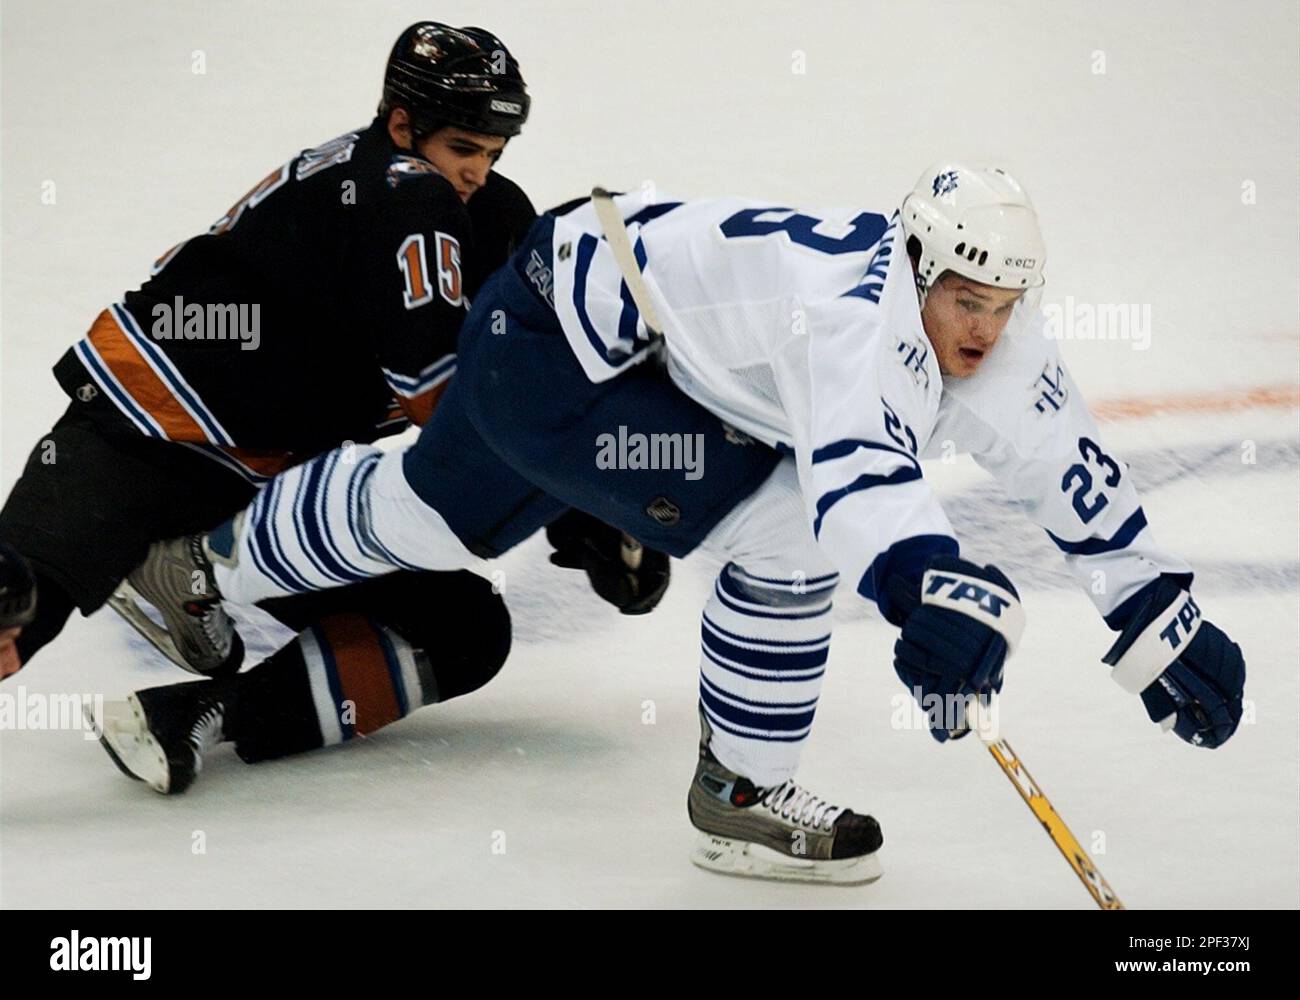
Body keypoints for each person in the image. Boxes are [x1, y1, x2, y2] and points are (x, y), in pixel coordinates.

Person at [109, 165, 1246, 884]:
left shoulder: (974, 322)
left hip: (578, 315)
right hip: (565, 355)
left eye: (1004, 308)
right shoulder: (854, 315)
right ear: (915, 267)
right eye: (966, 301)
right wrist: (927, 590)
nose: (984, 332)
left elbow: (1068, 466)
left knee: (433, 508)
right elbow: (856, 479)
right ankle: (739, 794)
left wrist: (1157, 610)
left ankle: (200, 557)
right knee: (791, 523)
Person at [0, 22, 665, 793]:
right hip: (148, 432)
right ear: (401, 125)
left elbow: (496, 380)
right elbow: (449, 403)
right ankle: (169, 557)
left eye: (492, 152)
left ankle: (204, 704)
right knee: (17, 608)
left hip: (256, 484)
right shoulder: (407, 198)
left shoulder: (470, 208)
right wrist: (582, 503)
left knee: (463, 631)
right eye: (463, 149)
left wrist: (580, 497)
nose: (478, 173)